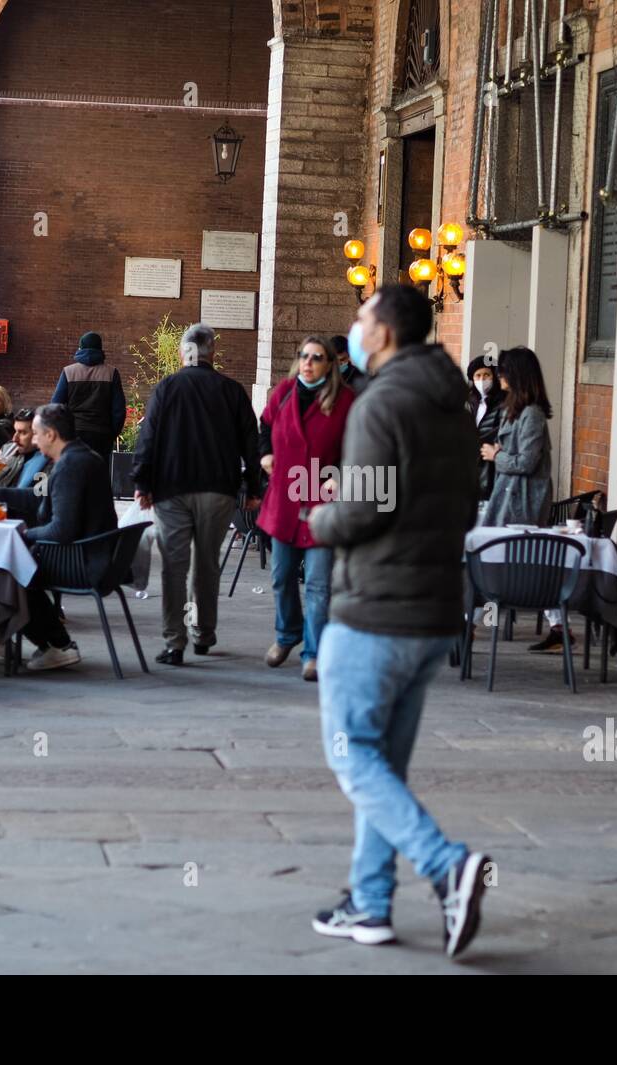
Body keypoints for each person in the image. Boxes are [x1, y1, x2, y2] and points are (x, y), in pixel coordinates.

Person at [307, 284, 491, 958]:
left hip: (376, 607)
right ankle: (370, 902)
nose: (352, 330)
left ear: (382, 333)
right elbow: (469, 505)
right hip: (435, 608)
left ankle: (447, 866)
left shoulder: (381, 401)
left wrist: (320, 516)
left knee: (351, 754)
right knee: (381, 765)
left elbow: (363, 510)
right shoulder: (453, 405)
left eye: (360, 319)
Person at [132, 322, 259, 666]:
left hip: (171, 489)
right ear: (213, 352)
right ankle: (202, 632)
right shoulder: (232, 391)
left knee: (173, 566)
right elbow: (251, 441)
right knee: (206, 563)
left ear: (181, 353)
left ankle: (174, 642)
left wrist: (142, 483)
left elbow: (149, 440)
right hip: (218, 490)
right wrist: (254, 488)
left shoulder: (167, 388)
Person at [0, 403, 117, 671]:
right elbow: (40, 495)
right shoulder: (80, 457)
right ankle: (9, 631)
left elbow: (62, 530)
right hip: (97, 552)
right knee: (12, 561)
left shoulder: (70, 465)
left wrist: (22, 535)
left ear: (51, 435)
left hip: (83, 560)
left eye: (35, 433)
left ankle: (55, 644)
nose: (33, 439)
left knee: (9, 568)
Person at [257, 335, 356, 682]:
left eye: (316, 357)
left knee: (317, 584)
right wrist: (265, 453)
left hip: (321, 502)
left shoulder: (345, 401)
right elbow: (265, 425)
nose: (308, 362)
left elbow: (361, 446)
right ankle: (288, 633)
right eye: (304, 356)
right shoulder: (283, 392)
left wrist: (342, 475)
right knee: (281, 576)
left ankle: (314, 653)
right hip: (284, 498)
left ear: (330, 363)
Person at [478, 346, 553, 528]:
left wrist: (496, 456)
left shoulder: (532, 413)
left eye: (503, 372)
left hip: (524, 499)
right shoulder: (512, 408)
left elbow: (526, 462)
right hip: (508, 492)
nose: (499, 376)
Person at [51, 331, 126, 462]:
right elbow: (118, 410)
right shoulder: (111, 372)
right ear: (100, 348)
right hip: (101, 435)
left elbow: (56, 406)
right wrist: (112, 434)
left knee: (73, 473)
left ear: (80, 348)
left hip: (74, 433)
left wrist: (62, 432)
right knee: (98, 476)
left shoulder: (68, 372)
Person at [466, 353, 505, 503]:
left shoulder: (503, 403)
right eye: (478, 376)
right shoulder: (469, 402)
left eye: (486, 375)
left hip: (492, 467)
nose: (482, 380)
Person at [0, 408, 47, 489]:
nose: (14, 438)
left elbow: (39, 497)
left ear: (37, 433)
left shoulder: (46, 460)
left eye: (23, 433)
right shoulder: (7, 449)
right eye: (15, 431)